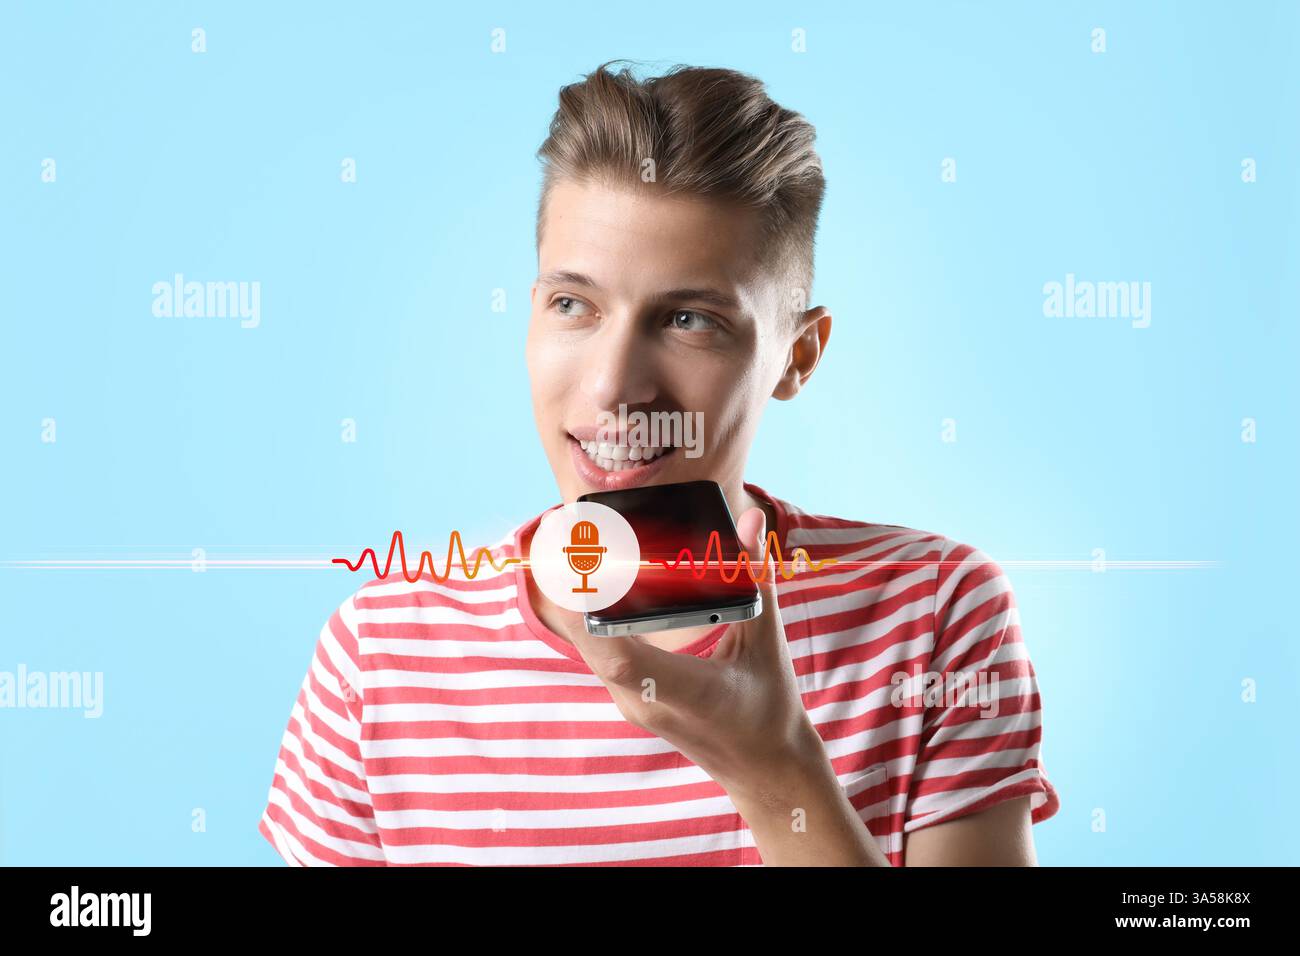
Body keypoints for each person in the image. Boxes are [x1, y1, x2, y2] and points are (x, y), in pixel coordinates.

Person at [258, 60, 1059, 866]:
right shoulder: (384, 652)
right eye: (574, 304)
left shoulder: (934, 614)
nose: (613, 389)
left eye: (687, 319)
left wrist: (775, 771)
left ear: (798, 356)